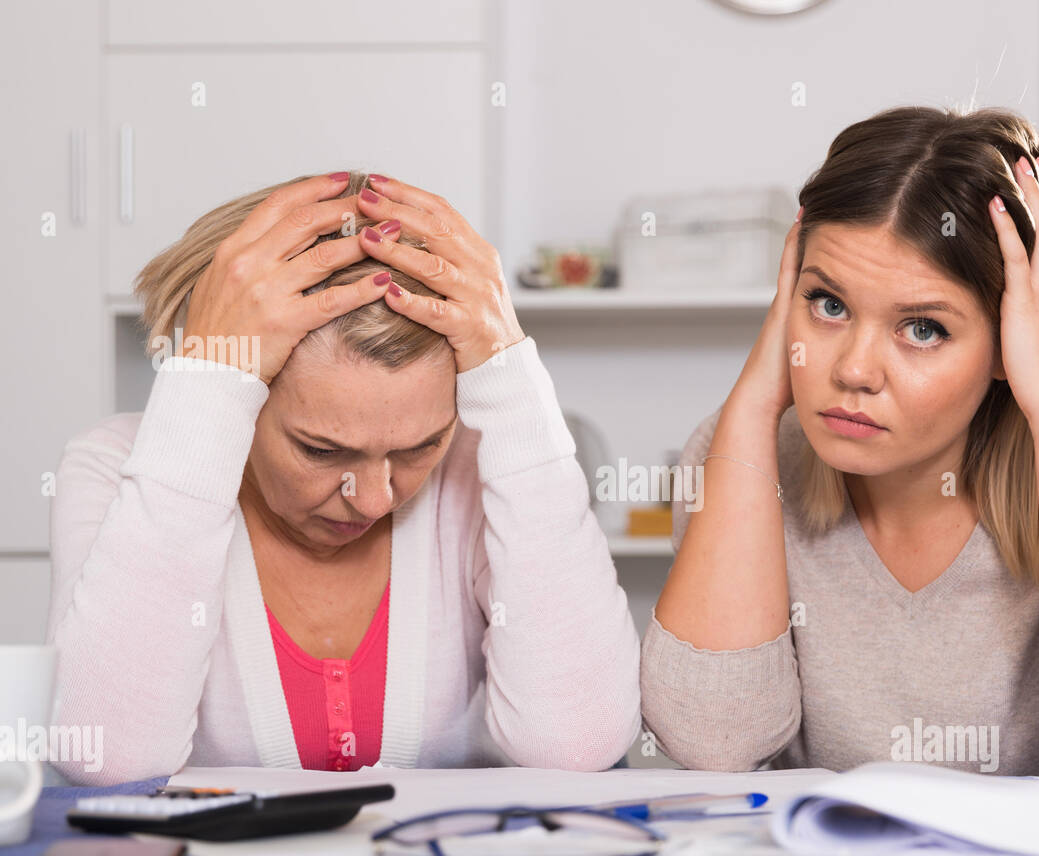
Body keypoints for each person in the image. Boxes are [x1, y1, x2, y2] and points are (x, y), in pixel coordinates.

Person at [641, 106, 1039, 789]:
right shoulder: (737, 452)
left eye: (923, 329)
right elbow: (713, 744)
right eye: (828, 304)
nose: (853, 370)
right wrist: (756, 403)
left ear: (1010, 339)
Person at [47, 171, 640, 784]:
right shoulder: (114, 464)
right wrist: (205, 391)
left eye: (421, 446)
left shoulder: (481, 473)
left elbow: (579, 743)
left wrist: (512, 384)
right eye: (321, 450)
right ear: (237, 402)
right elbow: (108, 758)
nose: (374, 500)